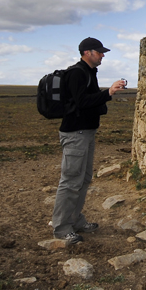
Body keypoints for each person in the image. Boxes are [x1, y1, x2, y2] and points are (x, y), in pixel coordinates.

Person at [51, 37, 126, 244]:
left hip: (86, 133)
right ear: (87, 53)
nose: (102, 55)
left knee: (83, 179)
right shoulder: (77, 73)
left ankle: (75, 220)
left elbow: (88, 101)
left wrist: (105, 95)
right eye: (99, 52)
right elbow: (81, 102)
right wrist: (108, 93)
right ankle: (61, 228)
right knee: (70, 181)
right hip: (76, 134)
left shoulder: (89, 72)